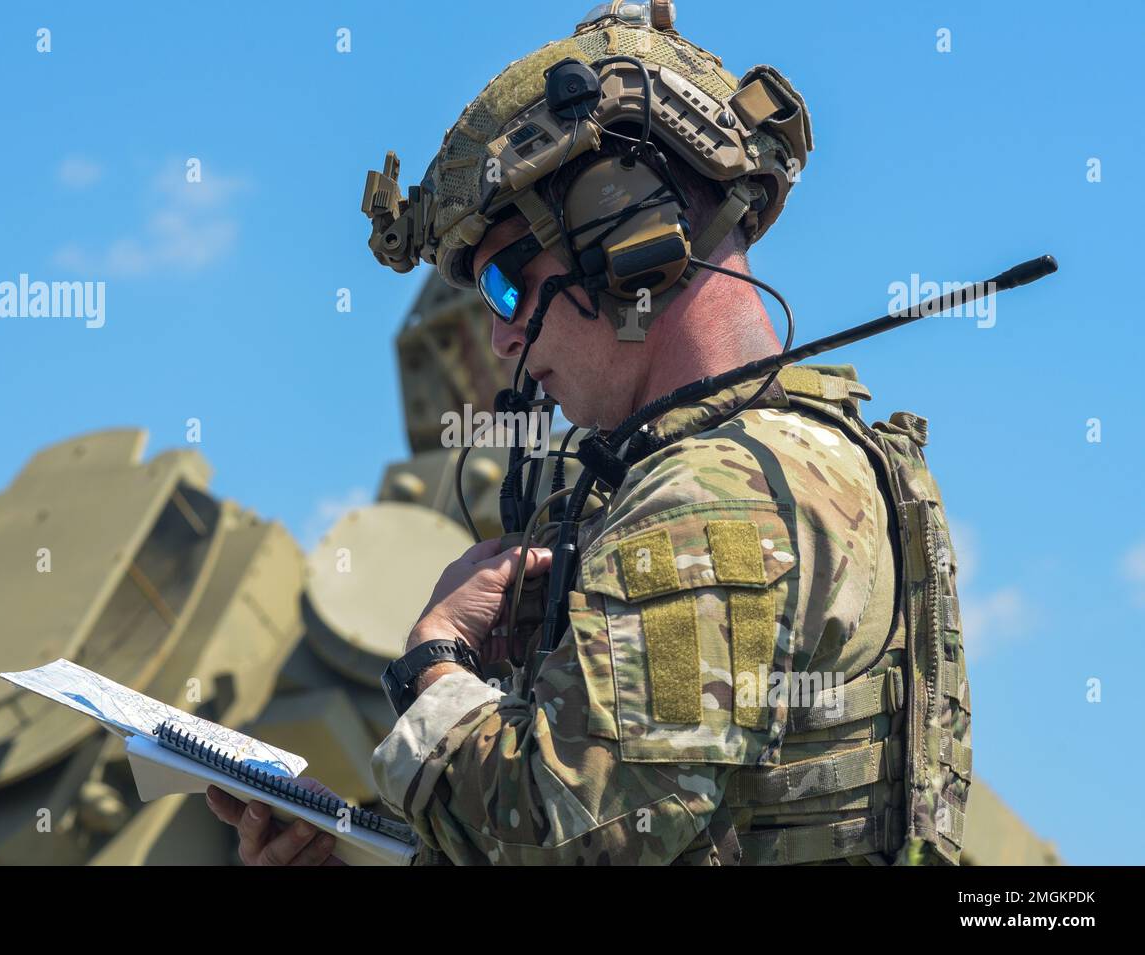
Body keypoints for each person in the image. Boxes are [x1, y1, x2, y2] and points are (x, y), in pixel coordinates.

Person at [209, 1, 972, 866]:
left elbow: (566, 836)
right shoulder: (782, 461)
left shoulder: (716, 492)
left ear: (622, 228)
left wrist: (432, 661)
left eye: (505, 282)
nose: (502, 336)